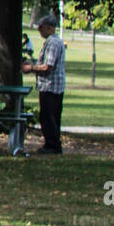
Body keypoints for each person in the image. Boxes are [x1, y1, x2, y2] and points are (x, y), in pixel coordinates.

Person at [22, 14, 65, 155]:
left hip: (50, 86)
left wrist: (31, 68)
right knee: (53, 116)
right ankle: (53, 144)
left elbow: (47, 66)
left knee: (48, 117)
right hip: (55, 86)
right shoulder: (55, 41)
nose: (39, 30)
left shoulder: (52, 43)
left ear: (48, 27)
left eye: (40, 28)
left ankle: (52, 146)